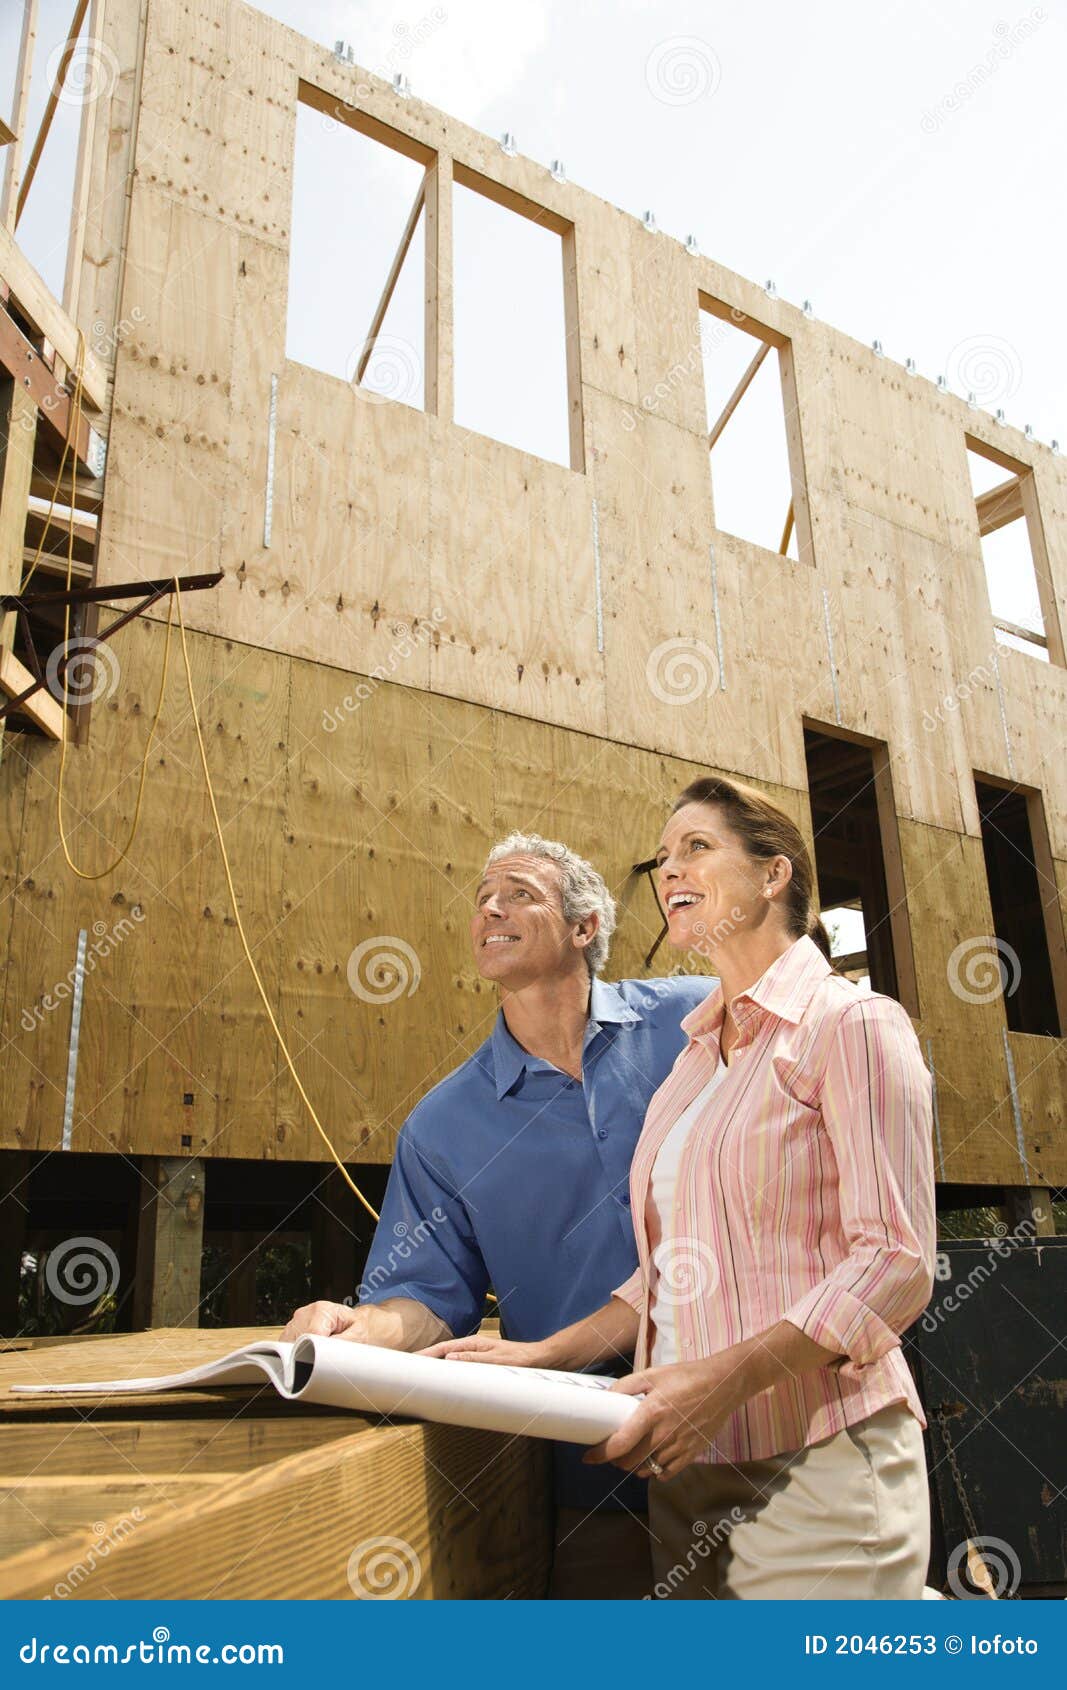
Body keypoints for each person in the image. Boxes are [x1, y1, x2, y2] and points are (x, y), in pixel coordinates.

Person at [428, 778, 937, 1600]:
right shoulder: (693, 1062)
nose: (668, 870)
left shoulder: (851, 1024)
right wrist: (544, 1354)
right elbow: (668, 1272)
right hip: (686, 1468)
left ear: (771, 875)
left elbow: (894, 1264)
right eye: (663, 856)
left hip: (816, 1459)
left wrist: (721, 1382)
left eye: (696, 848)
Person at [282, 831, 714, 1597]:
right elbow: (425, 1301)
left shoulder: (696, 1021)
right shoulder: (443, 1125)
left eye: (518, 894)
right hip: (595, 1475)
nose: (489, 908)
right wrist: (360, 1330)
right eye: (482, 897)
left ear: (584, 927)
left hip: (757, 1440)